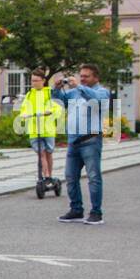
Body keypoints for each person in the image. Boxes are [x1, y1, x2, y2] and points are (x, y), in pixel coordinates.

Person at [51, 63, 110, 225]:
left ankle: (96, 212)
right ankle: (76, 209)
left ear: (95, 78)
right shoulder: (75, 92)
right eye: (81, 76)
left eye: (86, 76)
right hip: (73, 141)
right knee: (70, 177)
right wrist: (56, 89)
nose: (82, 79)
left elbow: (96, 101)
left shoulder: (102, 91)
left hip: (90, 140)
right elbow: (59, 100)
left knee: (93, 177)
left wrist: (80, 87)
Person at [18, 70, 63, 188]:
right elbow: (24, 109)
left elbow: (57, 108)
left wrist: (50, 112)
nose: (34, 83)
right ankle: (46, 176)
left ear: (43, 81)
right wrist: (23, 115)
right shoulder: (29, 95)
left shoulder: (49, 93)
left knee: (48, 153)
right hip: (34, 129)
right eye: (32, 80)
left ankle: (50, 175)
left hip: (47, 129)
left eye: (36, 80)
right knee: (41, 153)